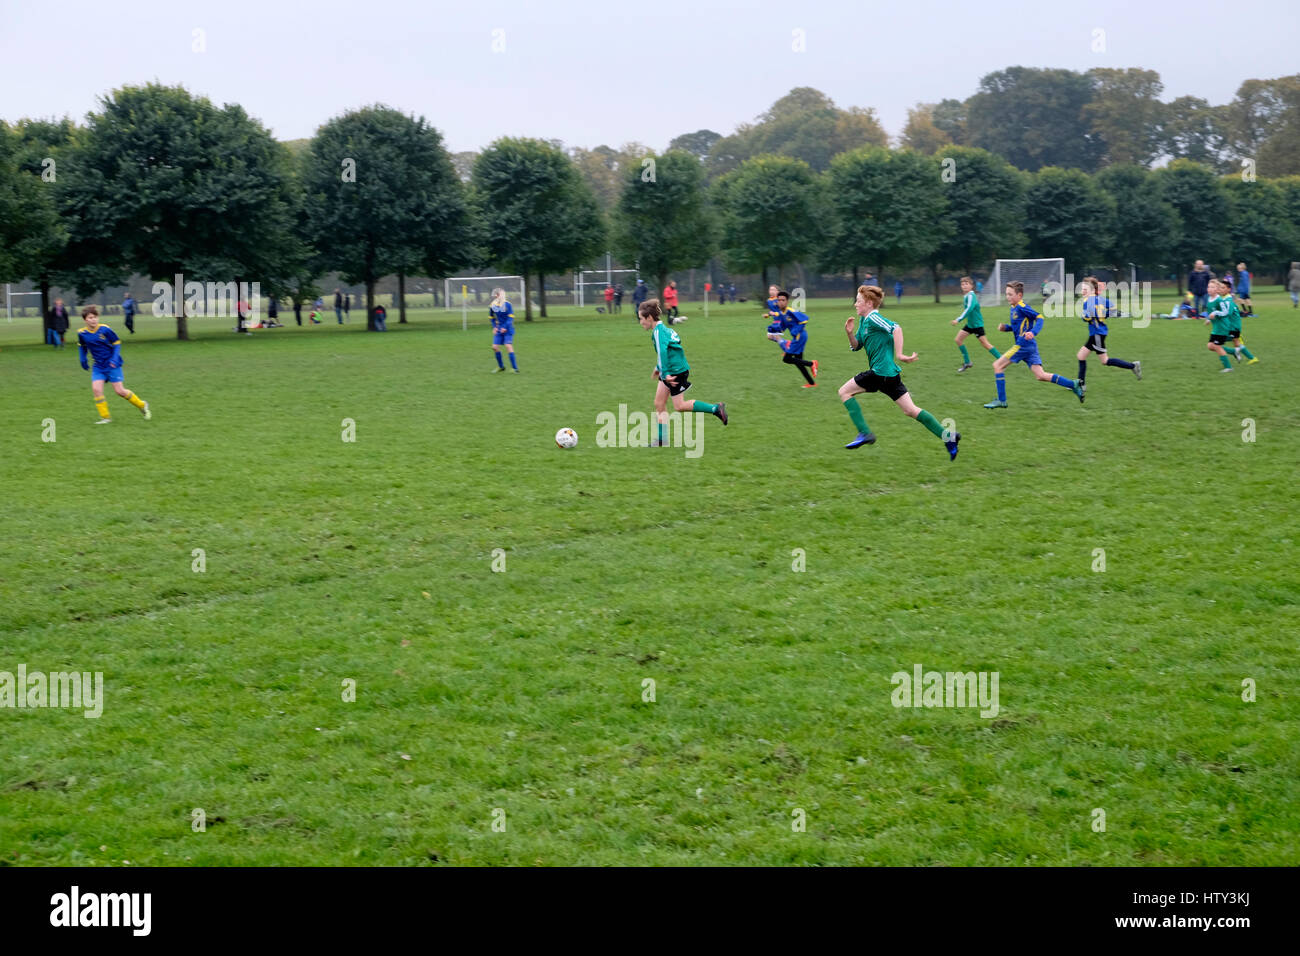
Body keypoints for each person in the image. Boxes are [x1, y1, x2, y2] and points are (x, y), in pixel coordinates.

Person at [838, 285, 960, 461]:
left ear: (869, 303)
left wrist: (900, 354)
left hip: (880, 373)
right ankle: (948, 437)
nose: (855, 304)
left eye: (858, 301)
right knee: (910, 410)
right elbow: (856, 346)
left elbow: (896, 328)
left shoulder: (873, 318)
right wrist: (849, 333)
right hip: (889, 375)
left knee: (844, 391)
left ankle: (864, 433)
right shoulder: (865, 321)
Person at [638, 298, 727, 446]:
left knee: (679, 406)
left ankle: (716, 409)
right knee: (659, 403)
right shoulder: (664, 329)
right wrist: (658, 369)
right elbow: (669, 350)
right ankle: (661, 439)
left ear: (649, 317)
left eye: (641, 319)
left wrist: (665, 373)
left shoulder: (658, 332)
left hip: (675, 372)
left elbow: (664, 353)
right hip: (670, 370)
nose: (640, 322)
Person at [984, 280, 1084, 408]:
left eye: (1010, 294)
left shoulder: (1022, 307)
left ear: (1019, 295)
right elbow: (1019, 326)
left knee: (997, 365)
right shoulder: (1013, 307)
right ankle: (1073, 384)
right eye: (1006, 294)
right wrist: (1006, 328)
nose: (1007, 297)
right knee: (1040, 375)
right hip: (1029, 346)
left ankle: (1001, 400)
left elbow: (1040, 317)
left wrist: (1033, 332)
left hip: (1022, 345)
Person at [77, 306, 150, 424]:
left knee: (120, 391)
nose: (93, 320)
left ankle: (142, 404)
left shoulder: (105, 329)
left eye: (95, 317)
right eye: (90, 318)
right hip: (98, 366)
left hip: (112, 364)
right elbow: (82, 345)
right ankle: (105, 417)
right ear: (85, 320)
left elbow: (117, 343)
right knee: (96, 390)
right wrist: (82, 359)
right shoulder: (82, 333)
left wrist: (115, 359)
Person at [1076, 277, 1140, 396]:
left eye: (1085, 289)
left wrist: (1088, 316)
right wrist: (1105, 314)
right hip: (1098, 333)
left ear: (1092, 290)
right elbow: (1113, 309)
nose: (1082, 291)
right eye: (1082, 289)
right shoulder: (1100, 299)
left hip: (1097, 334)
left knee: (1105, 361)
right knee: (1081, 356)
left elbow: (1087, 318)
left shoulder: (1087, 302)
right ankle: (1080, 384)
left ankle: (1133, 366)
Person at [765, 289, 818, 387]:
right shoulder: (782, 313)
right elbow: (783, 326)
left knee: (787, 358)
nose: (780, 302)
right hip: (798, 337)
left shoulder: (791, 311)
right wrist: (774, 329)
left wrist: (795, 331)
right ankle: (812, 383)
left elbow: (804, 319)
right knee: (798, 361)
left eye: (783, 300)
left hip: (799, 336)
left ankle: (811, 364)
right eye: (779, 300)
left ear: (787, 301)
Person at [952, 275, 1001, 372]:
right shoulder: (966, 296)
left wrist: (958, 319)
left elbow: (969, 309)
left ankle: (1002, 360)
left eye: (966, 284)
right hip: (970, 325)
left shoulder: (971, 295)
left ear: (971, 286)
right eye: (962, 284)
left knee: (985, 344)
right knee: (958, 340)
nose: (964, 286)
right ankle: (967, 362)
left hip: (977, 325)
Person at [1207, 278, 1257, 367]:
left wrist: (1216, 314)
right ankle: (1247, 356)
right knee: (1215, 345)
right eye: (1220, 288)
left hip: (1232, 327)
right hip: (1231, 326)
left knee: (1218, 344)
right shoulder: (1224, 299)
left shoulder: (1227, 301)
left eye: (1222, 288)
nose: (1220, 290)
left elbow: (1227, 314)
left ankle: (1250, 357)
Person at [1203, 279, 1240, 372]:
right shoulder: (1209, 298)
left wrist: (1215, 313)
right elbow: (1210, 311)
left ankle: (1228, 367)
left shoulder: (1219, 300)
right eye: (1208, 287)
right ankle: (1233, 351)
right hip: (1216, 327)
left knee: (1217, 346)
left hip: (1222, 327)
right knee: (1210, 346)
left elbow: (1226, 312)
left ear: (1217, 289)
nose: (1209, 289)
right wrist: (1208, 319)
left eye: (1212, 287)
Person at [488, 287, 518, 372]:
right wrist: (494, 326)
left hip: (508, 328)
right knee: (494, 347)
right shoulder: (492, 305)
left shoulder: (508, 304)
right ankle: (501, 367)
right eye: (500, 294)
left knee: (508, 346)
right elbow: (491, 316)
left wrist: (505, 327)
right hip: (499, 328)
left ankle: (515, 368)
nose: (502, 295)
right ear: (496, 295)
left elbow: (510, 317)